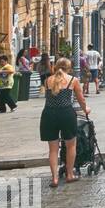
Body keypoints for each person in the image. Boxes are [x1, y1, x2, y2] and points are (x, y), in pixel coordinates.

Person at [41, 59, 89, 187]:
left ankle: (55, 178)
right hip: (66, 114)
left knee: (52, 149)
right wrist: (86, 110)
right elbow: (81, 99)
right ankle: (69, 174)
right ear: (69, 68)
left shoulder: (47, 81)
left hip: (49, 114)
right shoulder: (72, 80)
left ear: (55, 67)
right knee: (71, 145)